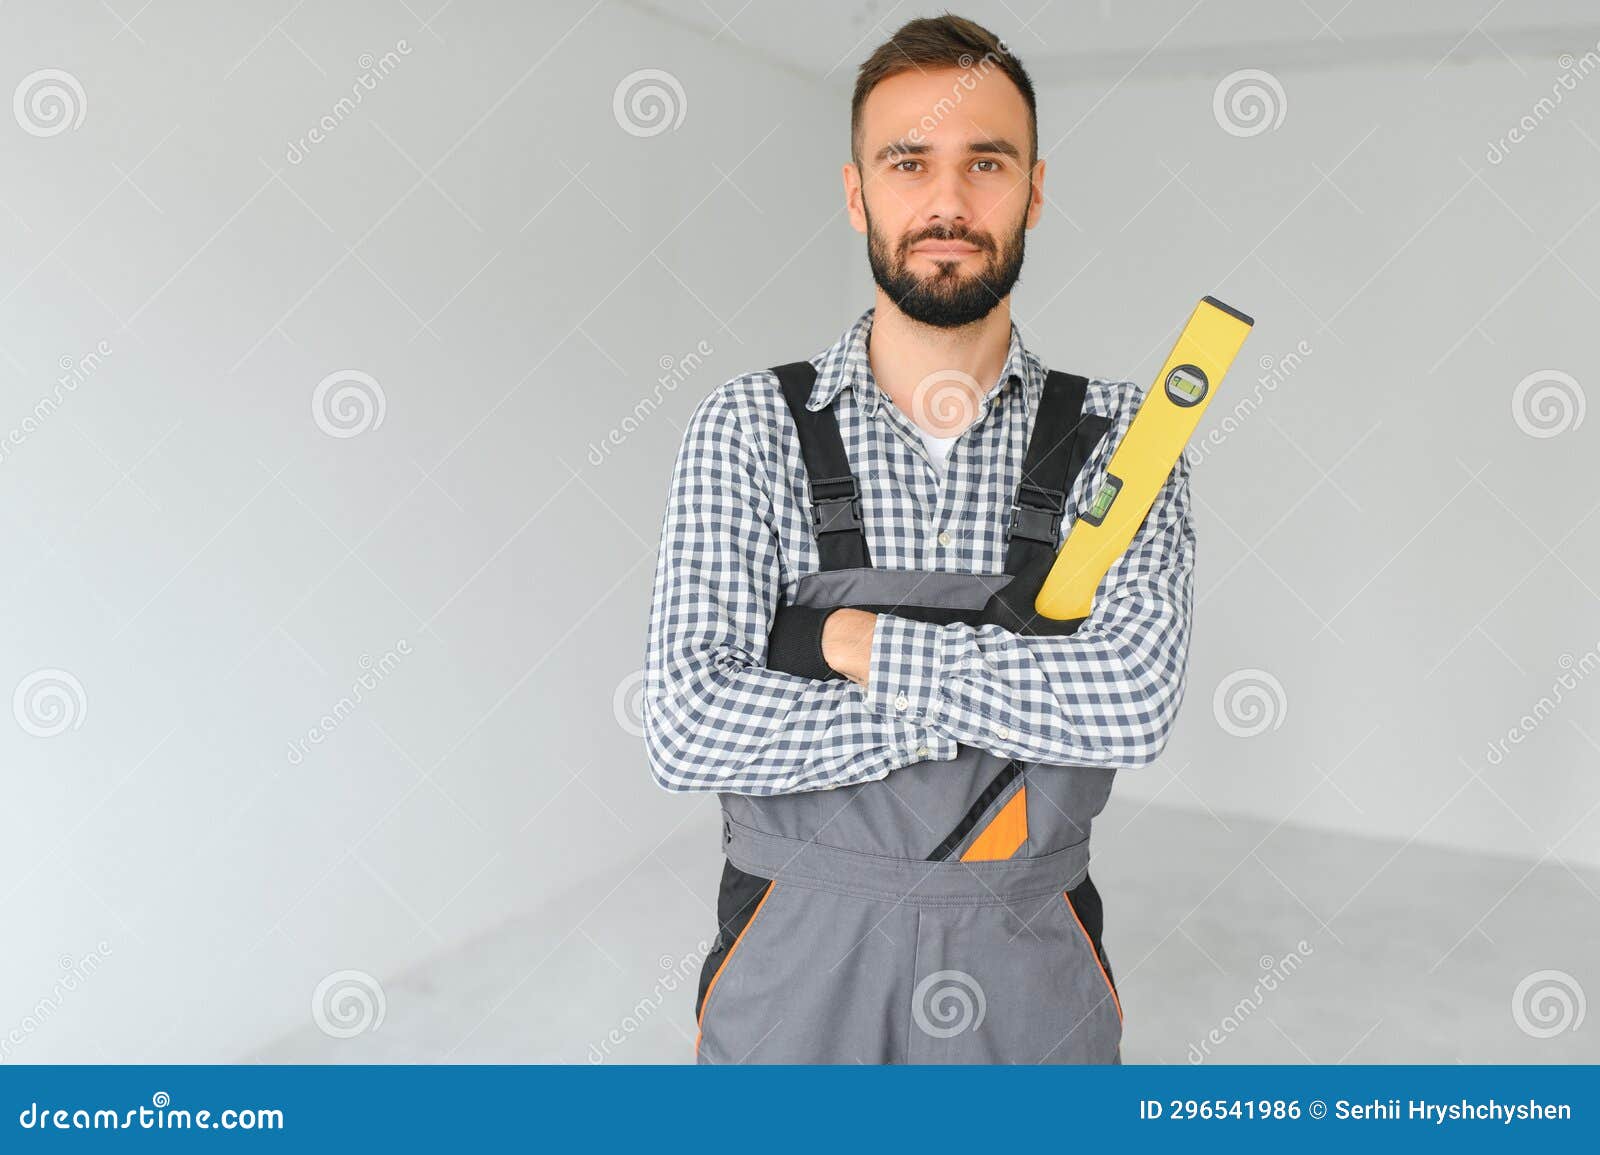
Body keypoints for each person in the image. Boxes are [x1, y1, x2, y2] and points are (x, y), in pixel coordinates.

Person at [642, 13, 1195, 1064]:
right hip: (792, 958)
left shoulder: (1120, 439)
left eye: (985, 163)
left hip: (1029, 964)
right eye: (908, 164)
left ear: (1033, 189)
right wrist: (993, 711)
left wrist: (855, 647)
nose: (947, 203)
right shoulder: (749, 426)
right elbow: (688, 722)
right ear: (857, 194)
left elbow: (1127, 704)